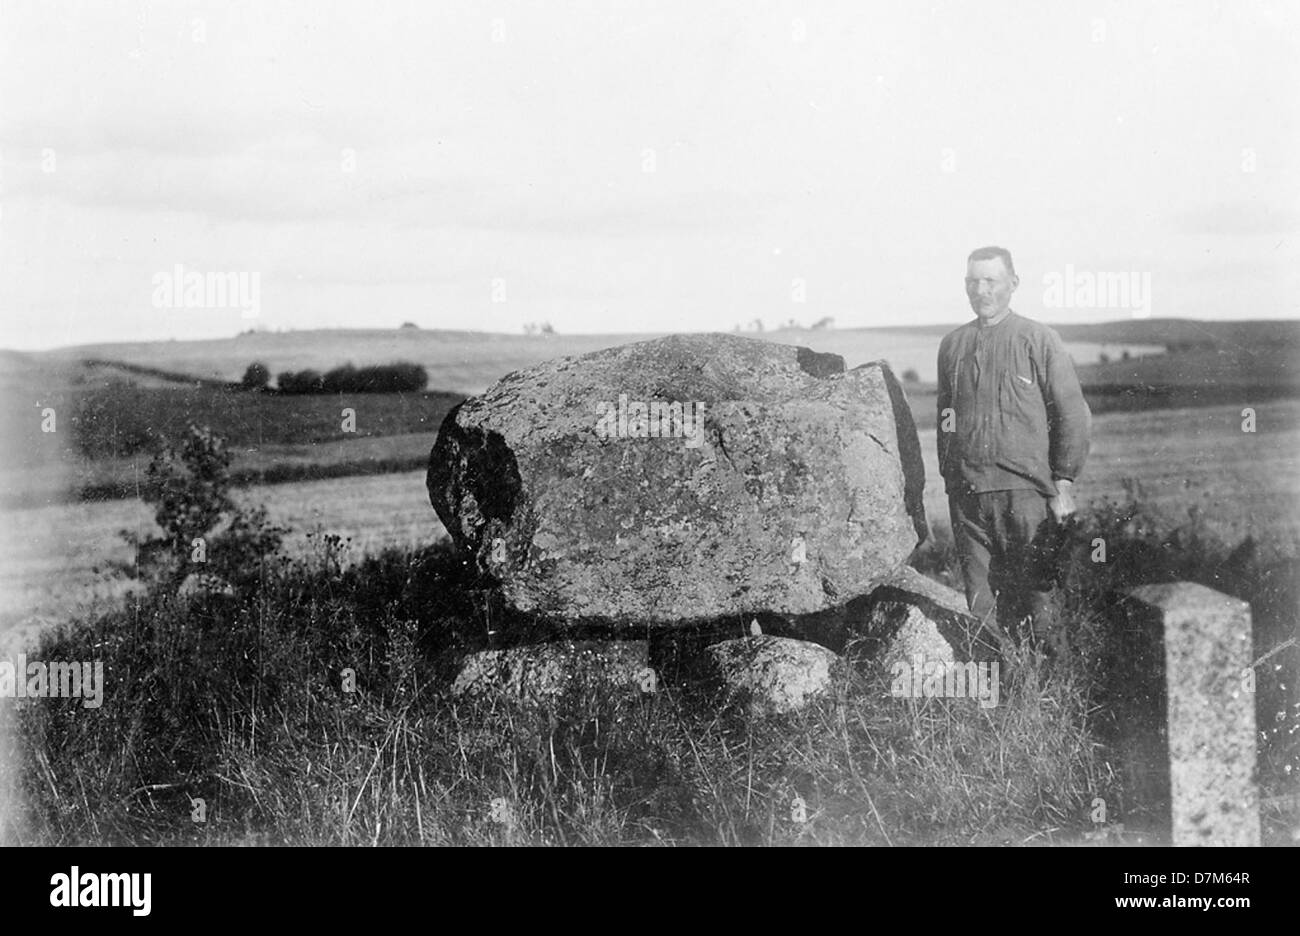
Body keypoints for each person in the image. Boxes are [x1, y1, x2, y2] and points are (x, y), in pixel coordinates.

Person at [936, 246, 1091, 652]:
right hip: (968, 497)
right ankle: (1000, 703)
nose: (981, 290)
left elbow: (1072, 412)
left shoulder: (1038, 340)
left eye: (991, 281)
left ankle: (1053, 695)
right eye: (973, 281)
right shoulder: (952, 345)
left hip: (1026, 495)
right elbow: (946, 416)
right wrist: (950, 476)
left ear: (1013, 284)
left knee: (1039, 600)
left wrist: (1064, 481)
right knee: (981, 607)